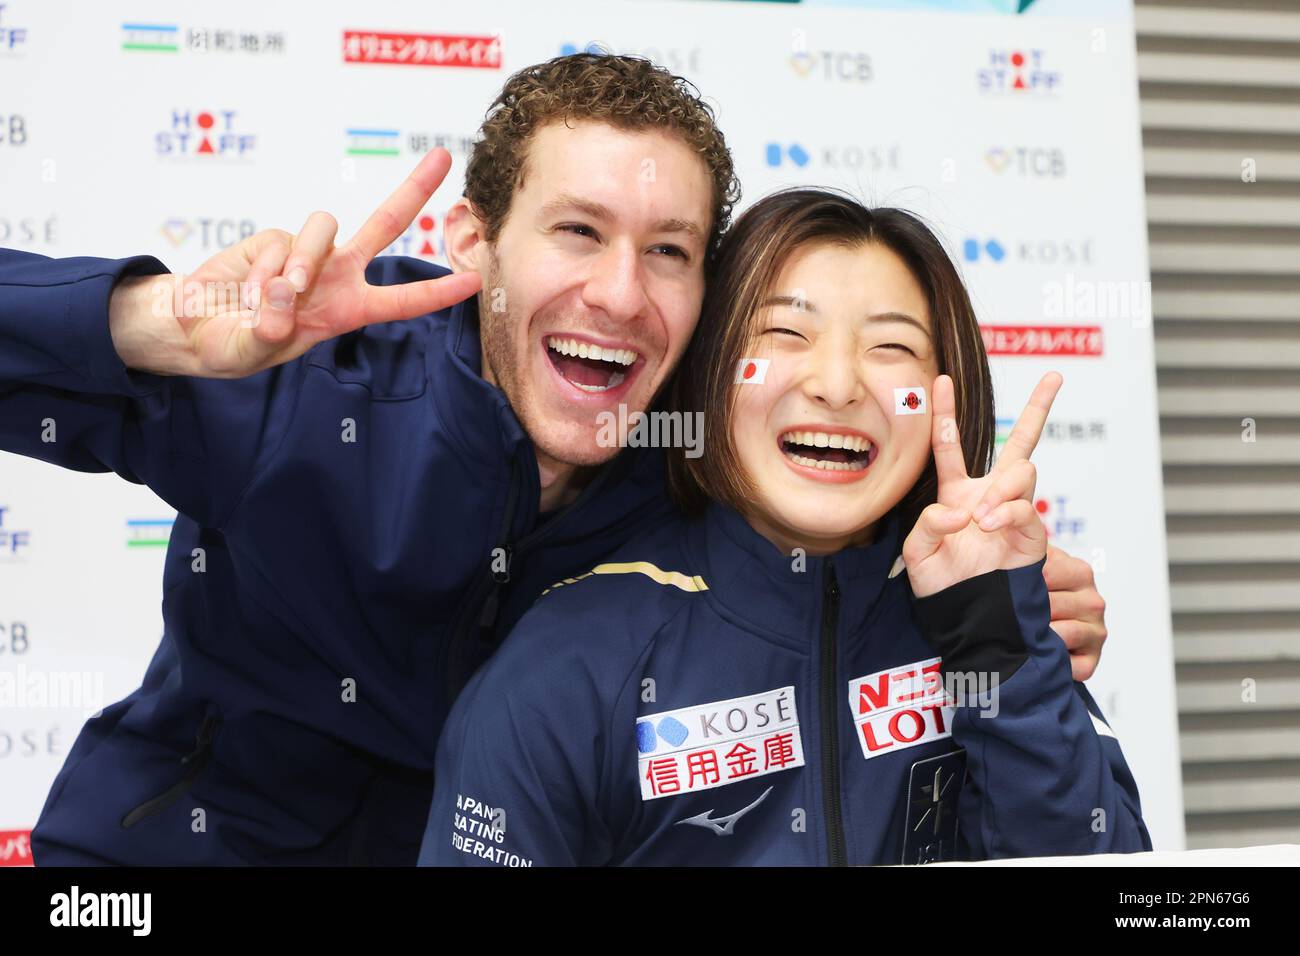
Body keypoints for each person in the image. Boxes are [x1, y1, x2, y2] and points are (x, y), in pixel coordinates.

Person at [0, 54, 1110, 866]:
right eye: (577, 232)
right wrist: (152, 323)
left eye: (667, 252)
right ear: (474, 243)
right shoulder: (301, 385)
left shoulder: (702, 457)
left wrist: (1001, 622)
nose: (620, 293)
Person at [420, 189, 1151, 866]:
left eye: (890, 348)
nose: (836, 384)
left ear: (942, 392)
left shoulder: (988, 616)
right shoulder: (567, 666)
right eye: (783, 333)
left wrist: (992, 628)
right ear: (707, 371)